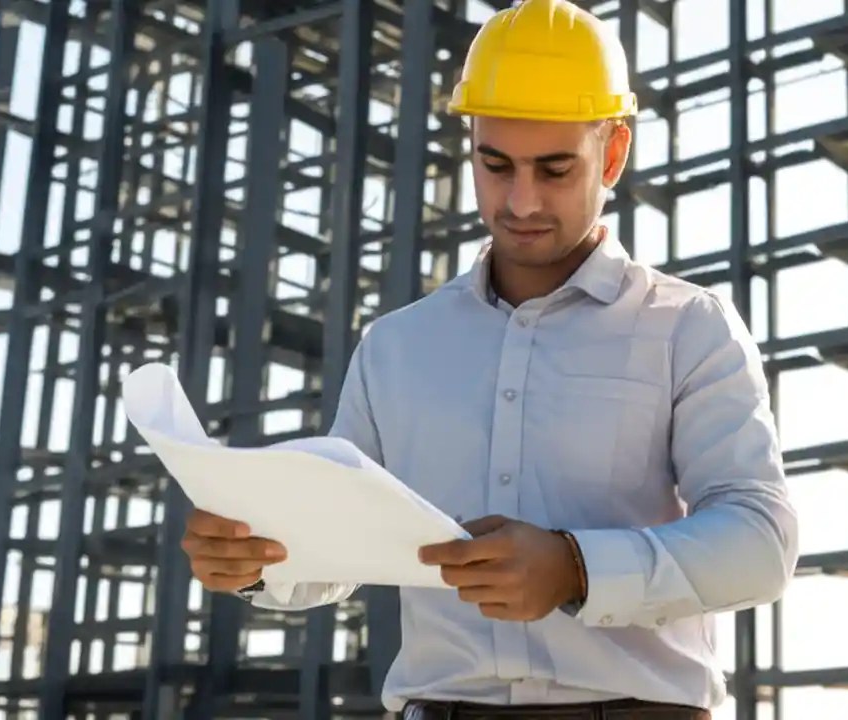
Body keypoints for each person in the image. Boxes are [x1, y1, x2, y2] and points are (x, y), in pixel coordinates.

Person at [179, 0, 799, 717]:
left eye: (556, 169)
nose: (521, 200)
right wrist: (257, 555)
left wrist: (575, 568)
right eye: (495, 164)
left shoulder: (688, 328)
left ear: (614, 154)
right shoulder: (397, 348)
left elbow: (759, 543)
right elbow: (335, 547)